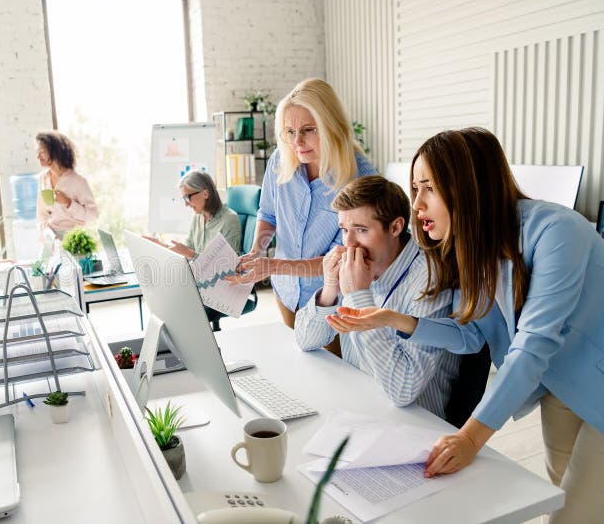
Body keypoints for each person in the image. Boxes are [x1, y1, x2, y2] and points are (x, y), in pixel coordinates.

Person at [330, 128, 604, 523]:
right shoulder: (473, 247)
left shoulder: (558, 232)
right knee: (561, 491)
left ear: (467, 186)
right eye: (414, 188)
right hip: (558, 381)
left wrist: (470, 437)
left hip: (592, 377)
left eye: (428, 188)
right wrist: (395, 319)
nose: (417, 203)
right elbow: (470, 333)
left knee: (578, 513)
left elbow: (531, 346)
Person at [295, 176, 459, 419]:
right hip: (357, 405)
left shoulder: (431, 279)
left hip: (413, 425)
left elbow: (403, 391)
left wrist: (358, 296)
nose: (349, 243)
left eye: (361, 230)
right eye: (344, 230)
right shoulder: (358, 265)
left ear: (395, 227)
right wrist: (331, 288)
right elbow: (305, 340)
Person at [231, 78, 376, 328]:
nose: (297, 142)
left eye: (308, 130)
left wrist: (273, 265)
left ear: (331, 125)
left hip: (332, 305)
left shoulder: (360, 177)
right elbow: (268, 213)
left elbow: (342, 259)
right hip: (286, 294)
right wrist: (258, 250)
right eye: (290, 132)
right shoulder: (280, 160)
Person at [145, 170, 241, 259]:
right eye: (184, 199)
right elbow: (188, 248)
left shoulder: (229, 220)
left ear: (205, 194)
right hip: (195, 273)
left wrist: (190, 254)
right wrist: (161, 246)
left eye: (187, 198)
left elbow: (227, 264)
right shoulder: (197, 216)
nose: (186, 204)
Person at [36, 131, 98, 237]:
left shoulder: (78, 181)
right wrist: (46, 233)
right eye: (37, 152)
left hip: (74, 240)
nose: (38, 156)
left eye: (42, 152)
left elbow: (92, 216)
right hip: (51, 240)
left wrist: (69, 203)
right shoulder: (43, 179)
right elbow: (41, 216)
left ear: (54, 152)